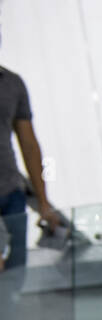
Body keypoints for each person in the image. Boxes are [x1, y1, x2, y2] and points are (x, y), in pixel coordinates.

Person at [1, 61, 56, 271]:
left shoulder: (12, 83)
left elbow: (29, 144)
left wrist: (43, 202)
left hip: (11, 192)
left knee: (15, 274)